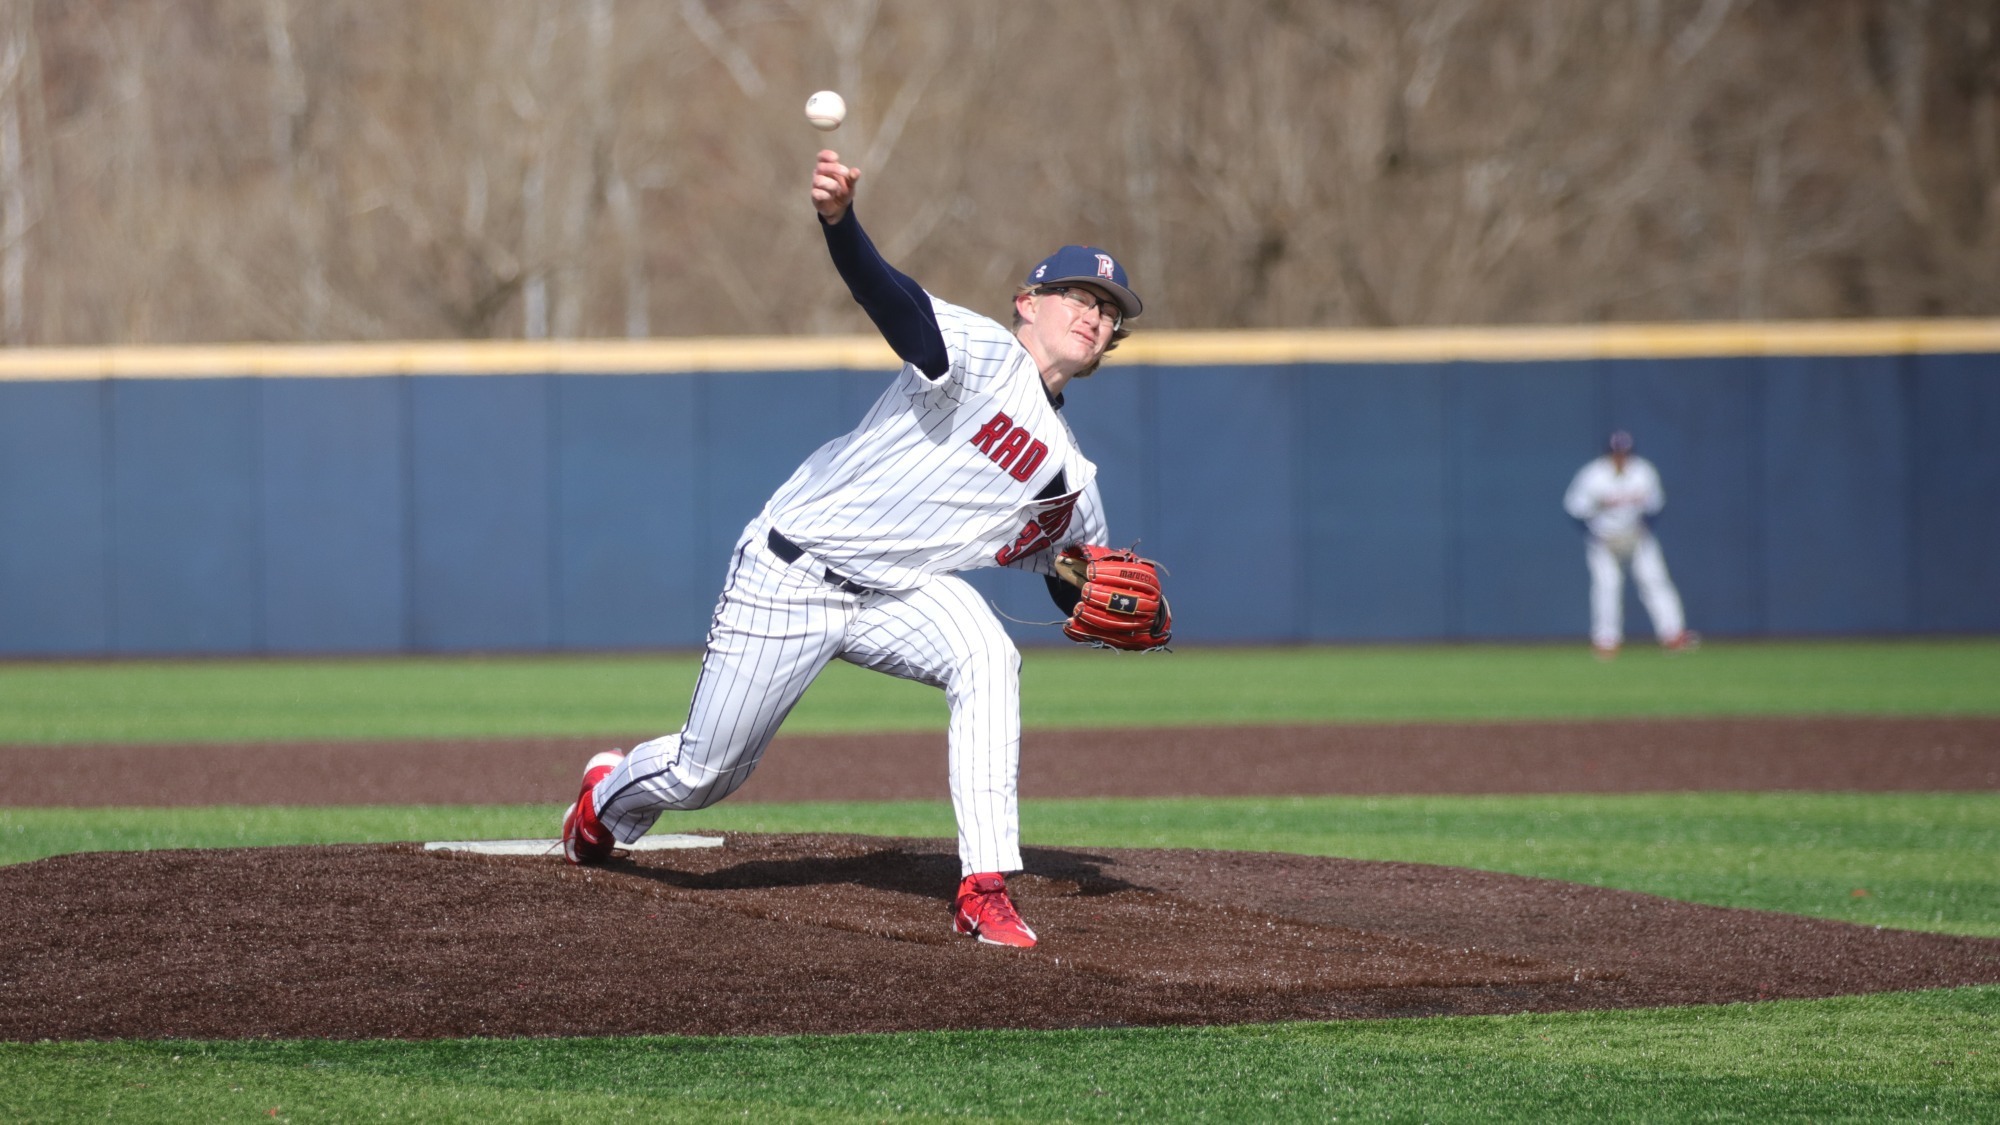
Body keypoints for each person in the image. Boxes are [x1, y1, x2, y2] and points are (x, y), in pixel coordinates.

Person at [558, 149, 1147, 949]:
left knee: (986, 653)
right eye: (1076, 294)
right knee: (706, 773)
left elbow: (1071, 574)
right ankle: (604, 801)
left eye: (1108, 310)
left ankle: (984, 886)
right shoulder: (980, 355)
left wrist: (1088, 595)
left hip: (896, 595)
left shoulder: (1075, 480)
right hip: (791, 570)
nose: (1093, 313)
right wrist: (841, 225)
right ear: (1026, 303)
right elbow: (894, 301)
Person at [1562, 430, 1697, 659]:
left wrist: (1645, 529)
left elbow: (1655, 506)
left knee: (1655, 580)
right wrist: (1593, 534)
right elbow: (1574, 510)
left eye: (1625, 452)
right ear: (1608, 454)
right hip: (1603, 541)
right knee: (1607, 586)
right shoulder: (1593, 475)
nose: (1621, 457)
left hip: (1637, 538)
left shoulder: (1643, 472)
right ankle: (1606, 640)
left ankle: (1672, 634)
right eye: (1616, 453)